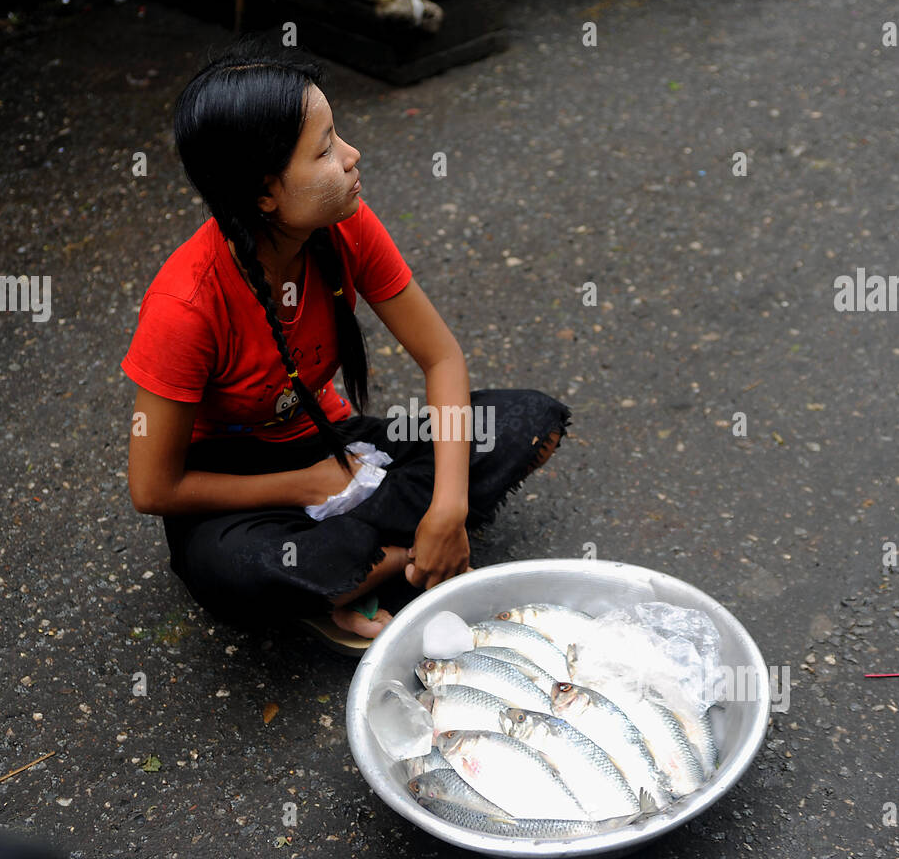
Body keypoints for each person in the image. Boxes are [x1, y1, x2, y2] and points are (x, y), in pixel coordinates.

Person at [121, 34, 571, 655]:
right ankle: (401, 563)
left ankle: (362, 572)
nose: (354, 155)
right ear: (263, 193)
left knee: (530, 424)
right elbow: (153, 489)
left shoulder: (346, 224)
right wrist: (304, 486)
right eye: (327, 148)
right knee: (234, 573)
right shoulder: (186, 306)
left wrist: (448, 506)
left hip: (337, 441)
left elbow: (440, 358)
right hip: (237, 489)